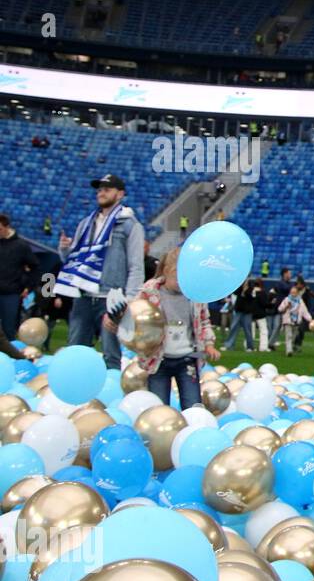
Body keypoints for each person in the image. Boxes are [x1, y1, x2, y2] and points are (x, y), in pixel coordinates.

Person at [55, 174, 145, 372]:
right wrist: (64, 250)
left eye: (107, 189)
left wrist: (128, 300)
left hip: (111, 298)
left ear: (120, 194)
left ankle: (108, 396)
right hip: (84, 296)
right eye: (99, 189)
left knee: (111, 354)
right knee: (75, 350)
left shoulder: (130, 225)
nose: (101, 192)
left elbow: (136, 266)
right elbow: (73, 261)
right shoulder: (86, 223)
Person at [134, 249, 219, 409]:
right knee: (157, 406)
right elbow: (136, 313)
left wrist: (209, 344)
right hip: (159, 359)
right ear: (166, 272)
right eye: (177, 277)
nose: (181, 282)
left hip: (188, 358)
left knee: (193, 404)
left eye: (185, 277)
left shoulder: (195, 296)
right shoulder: (150, 292)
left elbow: (204, 321)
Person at [0, 213, 38, 341]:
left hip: (11, 293)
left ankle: (8, 358)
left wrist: (28, 286)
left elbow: (35, 267)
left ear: (7, 227)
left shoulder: (21, 246)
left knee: (8, 328)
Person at [278, 282, 312, 356]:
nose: (293, 294)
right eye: (292, 292)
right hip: (287, 320)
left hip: (296, 321)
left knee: (294, 336)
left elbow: (304, 311)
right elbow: (280, 309)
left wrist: (310, 319)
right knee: (288, 336)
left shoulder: (300, 301)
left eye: (294, 292)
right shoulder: (286, 300)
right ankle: (289, 351)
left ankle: (291, 348)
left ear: (297, 293)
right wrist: (286, 306)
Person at [223, 279, 257, 351]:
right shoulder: (240, 284)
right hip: (239, 311)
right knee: (233, 327)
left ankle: (250, 347)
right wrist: (241, 287)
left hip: (247, 312)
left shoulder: (251, 284)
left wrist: (246, 289)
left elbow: (251, 297)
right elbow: (235, 292)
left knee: (247, 330)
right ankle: (229, 345)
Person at [266, 267, 292, 349]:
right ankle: (270, 343)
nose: (290, 275)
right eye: (289, 273)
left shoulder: (288, 283)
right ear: (285, 274)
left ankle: (271, 343)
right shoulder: (281, 283)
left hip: (286, 308)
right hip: (280, 308)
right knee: (277, 326)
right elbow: (286, 289)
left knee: (278, 327)